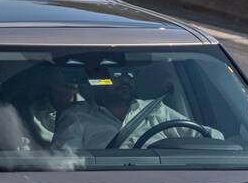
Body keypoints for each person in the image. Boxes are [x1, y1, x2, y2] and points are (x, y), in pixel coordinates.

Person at [51, 63, 208, 150]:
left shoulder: (157, 110)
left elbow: (206, 136)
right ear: (100, 83)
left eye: (130, 74)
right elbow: (65, 160)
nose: (125, 80)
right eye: (117, 75)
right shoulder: (77, 116)